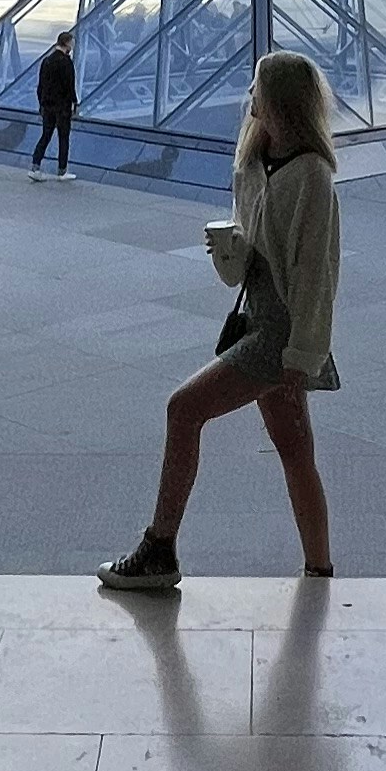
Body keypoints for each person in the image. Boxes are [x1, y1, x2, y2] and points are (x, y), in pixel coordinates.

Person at [99, 51, 338, 588]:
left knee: (183, 410)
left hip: (280, 335)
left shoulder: (313, 178)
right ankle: (320, 571)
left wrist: (301, 357)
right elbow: (244, 271)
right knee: (296, 453)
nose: (246, 96)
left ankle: (159, 548)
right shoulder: (254, 163)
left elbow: (317, 276)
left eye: (255, 87)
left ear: (276, 100)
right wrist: (229, 251)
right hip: (261, 320)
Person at [30, 29, 78, 178]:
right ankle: (62, 170)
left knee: (46, 135)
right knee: (63, 138)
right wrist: (74, 102)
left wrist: (41, 103)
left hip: (47, 105)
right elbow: (69, 86)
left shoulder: (47, 60)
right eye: (72, 43)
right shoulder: (66, 62)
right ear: (67, 44)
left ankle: (35, 166)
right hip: (62, 106)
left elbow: (40, 86)